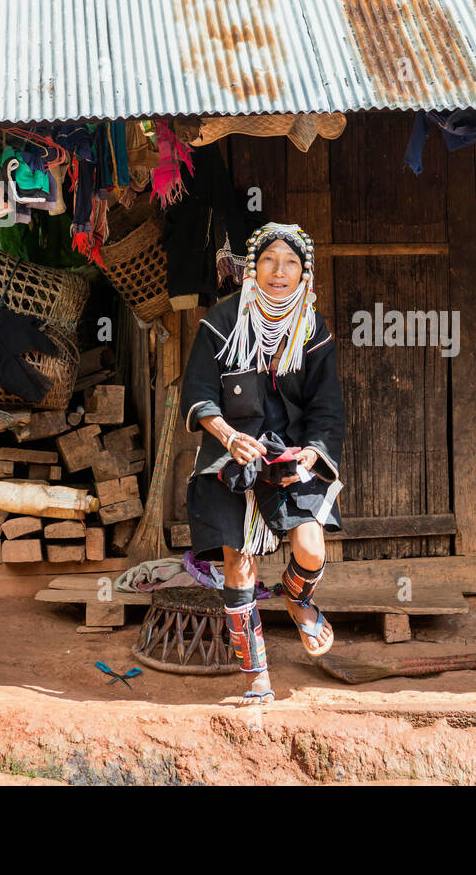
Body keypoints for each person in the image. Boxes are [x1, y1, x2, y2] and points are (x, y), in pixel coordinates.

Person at [180, 222, 345, 704]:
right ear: (254, 268)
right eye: (270, 260)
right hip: (231, 455)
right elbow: (199, 392)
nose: (279, 271)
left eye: (290, 262)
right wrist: (229, 436)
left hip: (290, 453)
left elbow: (326, 406)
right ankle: (256, 678)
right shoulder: (222, 322)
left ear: (303, 273)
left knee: (311, 548)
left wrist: (314, 449)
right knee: (239, 562)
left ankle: (297, 599)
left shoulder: (312, 330)